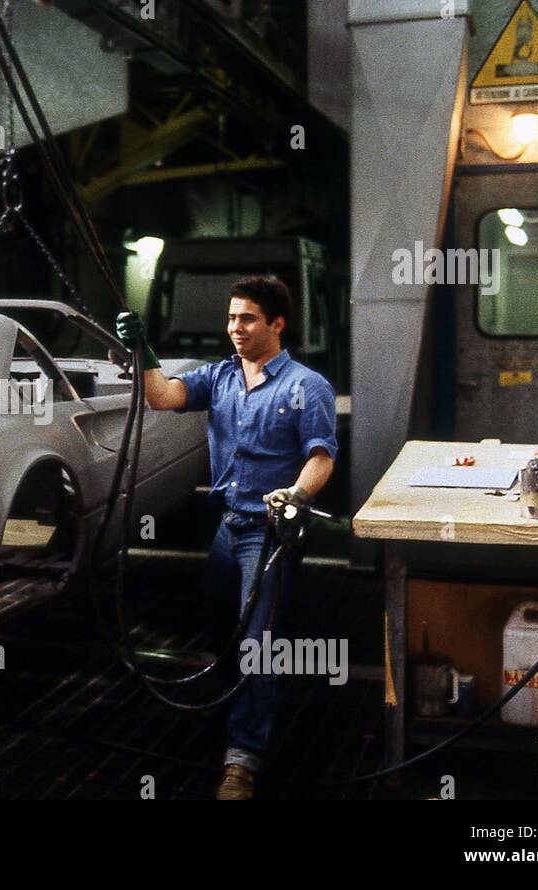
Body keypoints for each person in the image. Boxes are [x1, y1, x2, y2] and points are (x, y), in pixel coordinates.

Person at [116, 274, 338, 800]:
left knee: (256, 643)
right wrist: (142, 348)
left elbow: (321, 456)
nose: (235, 328)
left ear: (276, 324)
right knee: (224, 632)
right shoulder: (218, 377)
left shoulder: (307, 386)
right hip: (227, 528)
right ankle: (240, 709)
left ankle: (243, 759)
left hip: (269, 533)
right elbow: (162, 396)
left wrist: (296, 496)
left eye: (247, 319)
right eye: (231, 317)